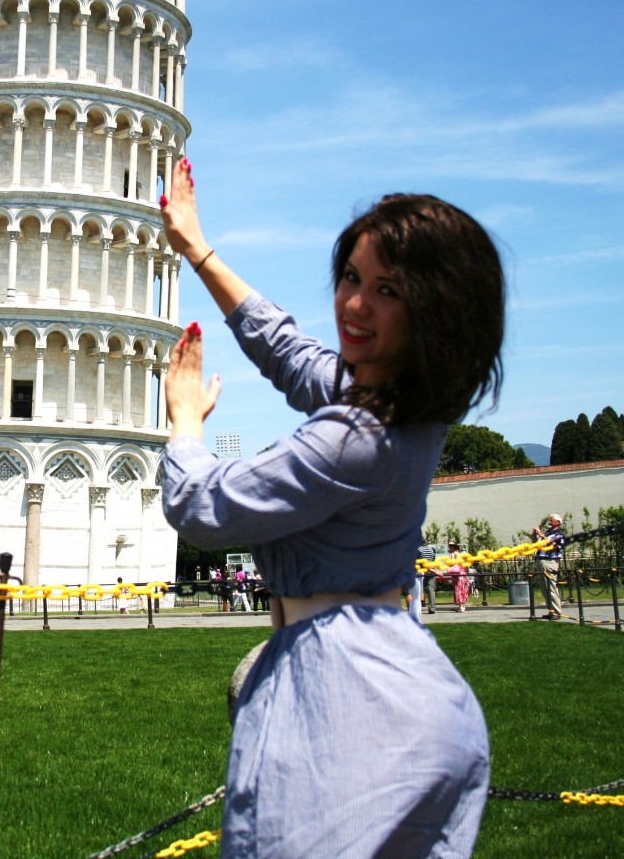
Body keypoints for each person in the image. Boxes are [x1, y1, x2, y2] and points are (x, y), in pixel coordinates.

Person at [159, 158, 503, 858]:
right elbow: (289, 352)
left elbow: (201, 505)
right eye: (350, 277)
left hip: (344, 696)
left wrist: (184, 421)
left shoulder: (354, 439)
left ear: (432, 311)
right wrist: (196, 247)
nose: (353, 304)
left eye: (386, 290)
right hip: (397, 673)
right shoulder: (408, 407)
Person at [532, 513, 566, 620]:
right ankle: (550, 611)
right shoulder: (547, 532)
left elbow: (551, 544)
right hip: (541, 560)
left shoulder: (560, 534)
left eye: (551, 521)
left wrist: (541, 535)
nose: (549, 523)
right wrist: (534, 535)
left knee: (551, 587)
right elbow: (536, 544)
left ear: (558, 522)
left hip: (550, 561)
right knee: (544, 588)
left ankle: (556, 612)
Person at [445, 543, 470, 612]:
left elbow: (452, 563)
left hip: (457, 574)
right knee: (463, 589)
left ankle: (461, 606)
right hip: (462, 572)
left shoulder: (453, 554)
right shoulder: (460, 554)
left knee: (458, 589)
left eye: (450, 547)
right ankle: (462, 606)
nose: (449, 548)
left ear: (452, 547)